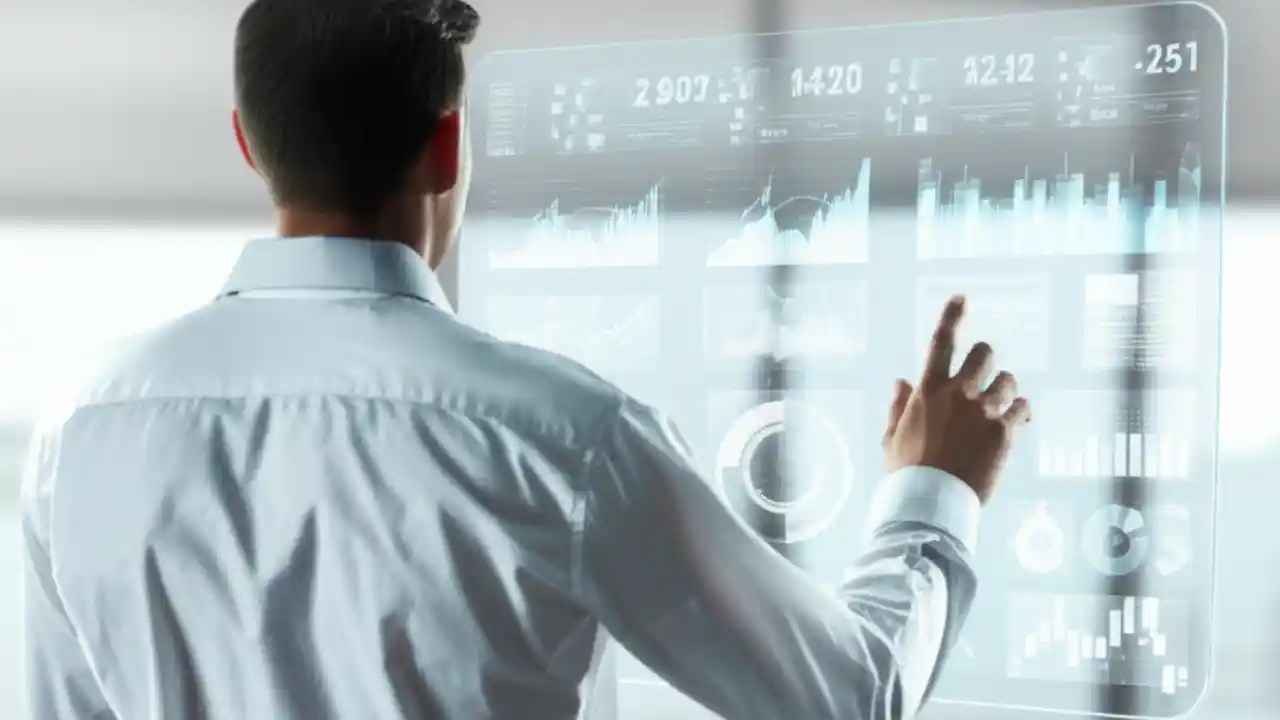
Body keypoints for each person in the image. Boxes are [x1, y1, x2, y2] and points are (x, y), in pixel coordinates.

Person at [19, 1, 1031, 718]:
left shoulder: (80, 426)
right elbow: (843, 700)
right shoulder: (561, 435)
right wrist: (934, 486)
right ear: (450, 146)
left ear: (248, 143)